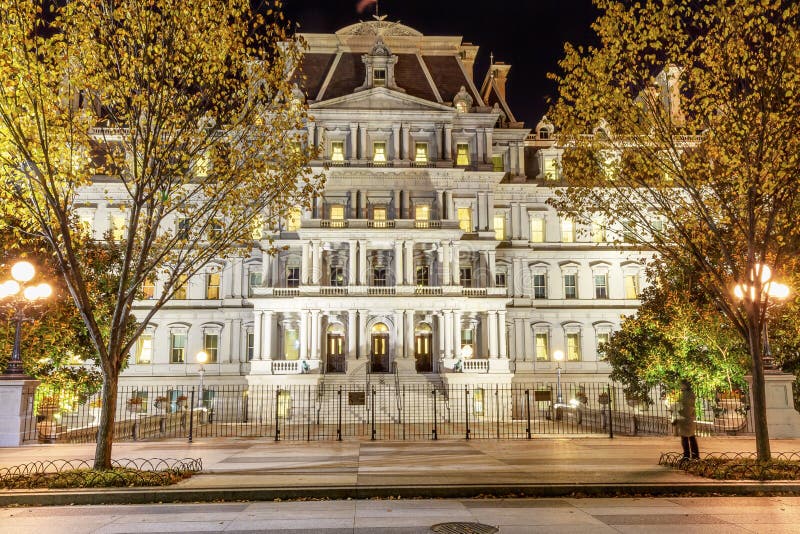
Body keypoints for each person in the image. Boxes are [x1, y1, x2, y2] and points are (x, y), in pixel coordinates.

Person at [673, 379, 700, 460]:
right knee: (690, 437)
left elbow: (685, 406)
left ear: (685, 385)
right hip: (687, 418)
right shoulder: (687, 394)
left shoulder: (687, 395)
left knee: (686, 437)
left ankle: (688, 456)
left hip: (686, 419)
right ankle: (693, 455)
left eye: (681, 384)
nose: (680, 386)